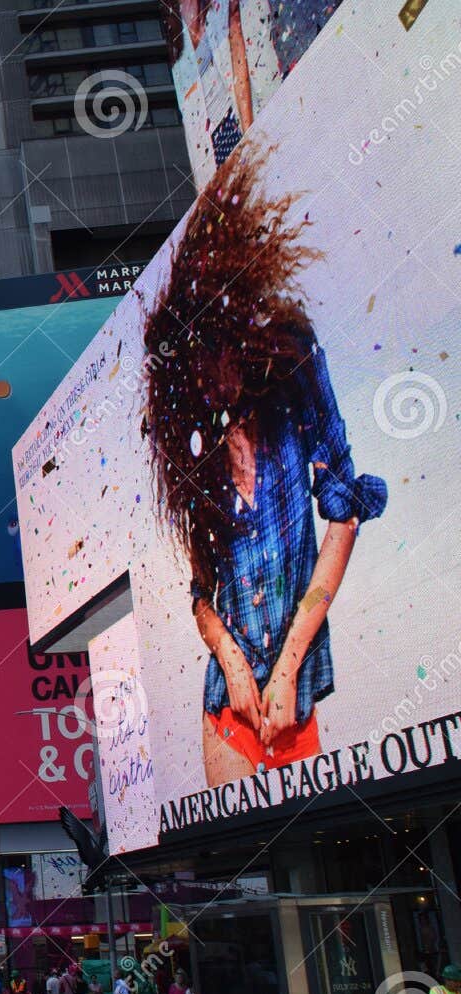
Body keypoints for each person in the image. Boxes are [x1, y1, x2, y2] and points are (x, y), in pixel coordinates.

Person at [143, 149, 386, 789]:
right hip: (228, 709)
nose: (208, 383)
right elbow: (202, 596)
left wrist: (286, 667)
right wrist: (229, 657)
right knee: (241, 847)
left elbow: (342, 520)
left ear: (237, 336)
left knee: (317, 839)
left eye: (213, 360)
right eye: (194, 373)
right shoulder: (197, 452)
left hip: (293, 700)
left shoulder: (296, 381)